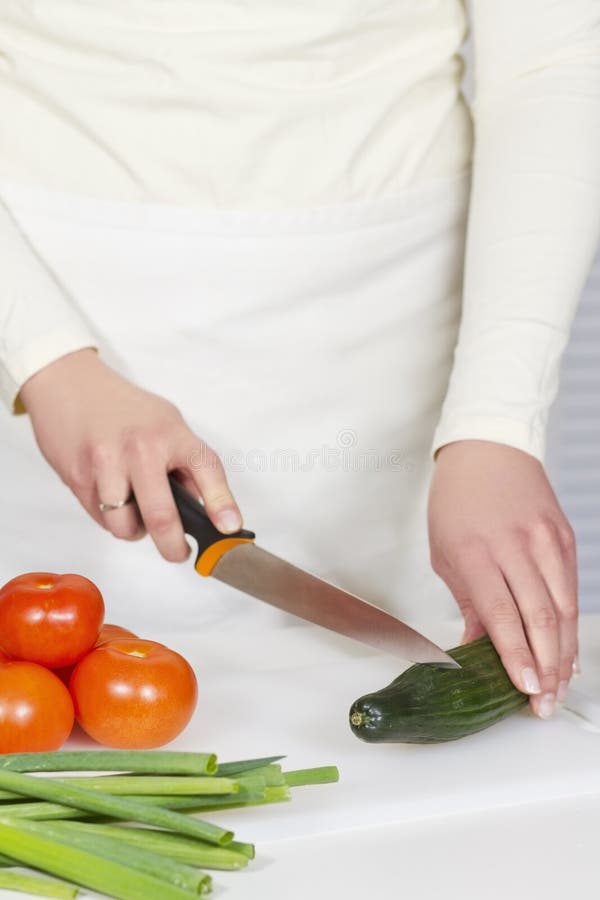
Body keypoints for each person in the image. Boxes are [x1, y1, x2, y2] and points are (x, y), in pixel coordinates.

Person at [1, 2, 599, 722]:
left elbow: (551, 61)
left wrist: (496, 420)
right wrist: (43, 356)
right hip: (45, 323)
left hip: (393, 355)